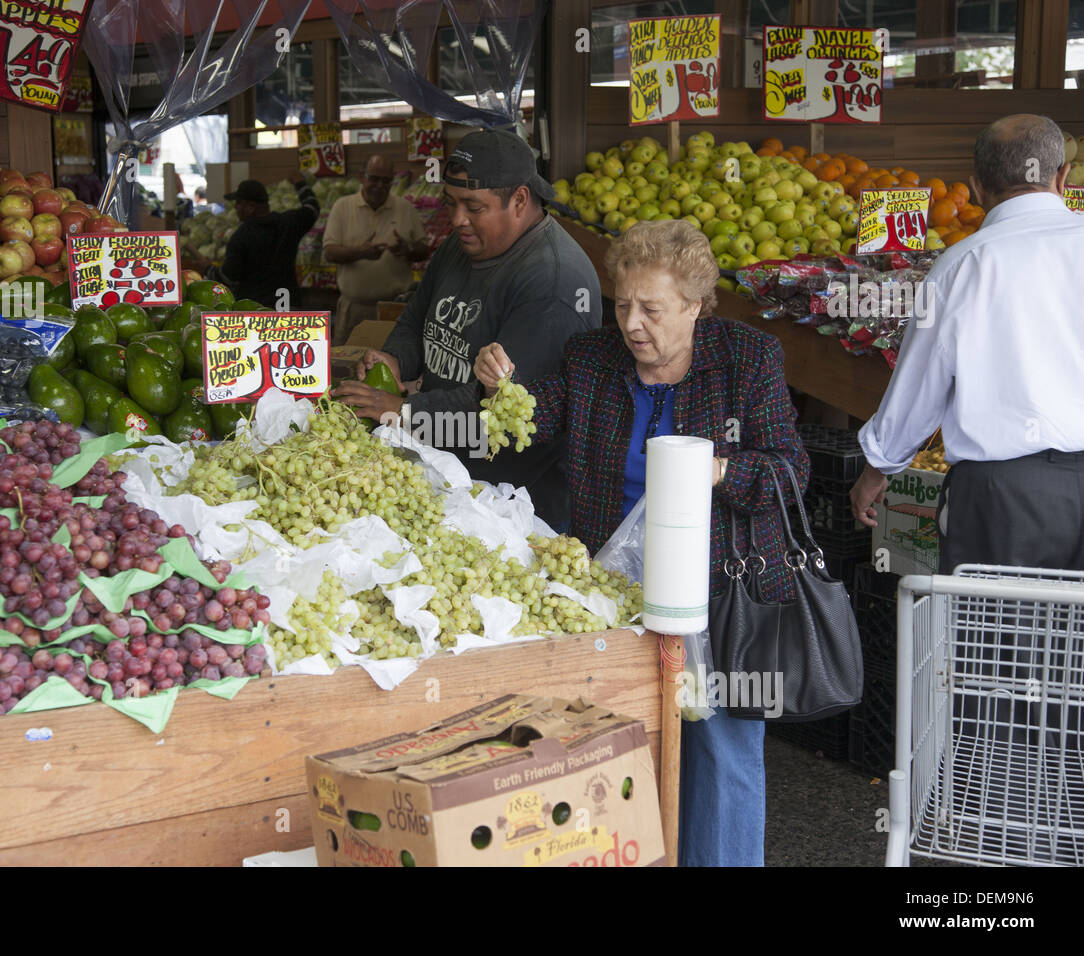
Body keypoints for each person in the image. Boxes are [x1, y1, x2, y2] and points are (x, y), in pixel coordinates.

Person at [473, 219, 810, 866]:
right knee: (622, 745)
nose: (632, 323)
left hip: (719, 590)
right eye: (622, 304)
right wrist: (501, 388)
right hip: (616, 591)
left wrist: (718, 470)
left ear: (694, 306)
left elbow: (789, 471)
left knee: (719, 752)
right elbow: (536, 422)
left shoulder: (748, 360)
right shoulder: (591, 357)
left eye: (652, 309)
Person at [332, 128, 600, 530]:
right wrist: (395, 359)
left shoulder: (553, 283)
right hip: (448, 475)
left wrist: (404, 412)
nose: (457, 220)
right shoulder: (461, 246)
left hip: (513, 503)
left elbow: (505, 410)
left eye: (473, 207)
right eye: (452, 203)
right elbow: (414, 320)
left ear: (520, 200)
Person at [851, 115, 1084, 571]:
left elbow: (920, 384)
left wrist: (878, 467)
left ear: (976, 188)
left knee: (995, 638)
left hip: (1006, 500)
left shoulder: (962, 266)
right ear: (1061, 177)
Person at [323, 154, 430, 344]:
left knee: (395, 366)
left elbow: (424, 250)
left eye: (386, 180)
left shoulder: (405, 208)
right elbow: (330, 253)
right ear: (361, 176)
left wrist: (408, 249)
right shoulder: (342, 207)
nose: (380, 185)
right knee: (347, 367)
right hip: (354, 310)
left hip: (396, 308)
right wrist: (361, 252)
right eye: (374, 179)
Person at [219, 171, 320, 309]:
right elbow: (312, 207)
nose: (236, 208)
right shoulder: (289, 222)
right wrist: (300, 183)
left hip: (255, 312)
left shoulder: (241, 236)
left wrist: (207, 268)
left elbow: (228, 277)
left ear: (250, 207)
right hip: (287, 307)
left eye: (238, 204)